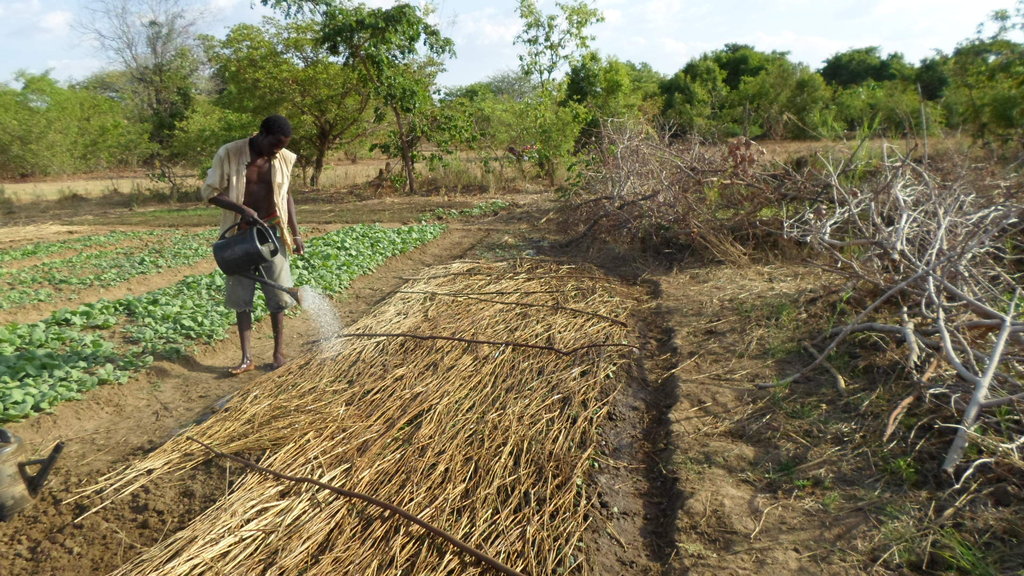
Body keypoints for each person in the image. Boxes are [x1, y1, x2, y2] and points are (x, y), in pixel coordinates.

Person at [201, 114, 305, 375]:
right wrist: (242, 209)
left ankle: (278, 354)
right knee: (241, 297)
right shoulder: (229, 153)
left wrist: (296, 234)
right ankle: (247, 358)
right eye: (274, 145)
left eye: (282, 147)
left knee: (279, 295)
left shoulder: (284, 158)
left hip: (273, 231)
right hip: (240, 234)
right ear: (261, 134)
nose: (276, 151)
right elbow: (210, 193)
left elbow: (286, 195)